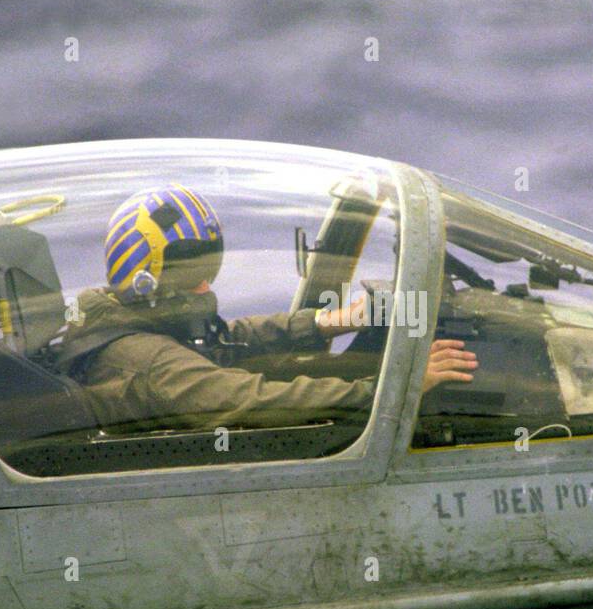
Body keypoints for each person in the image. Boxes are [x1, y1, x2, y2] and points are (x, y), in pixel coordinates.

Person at [55, 184, 478, 431]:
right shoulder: (150, 364)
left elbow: (226, 337)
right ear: (145, 277)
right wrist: (393, 390)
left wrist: (325, 322)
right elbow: (258, 400)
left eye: (210, 265)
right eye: (191, 271)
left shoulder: (117, 317)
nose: (205, 283)